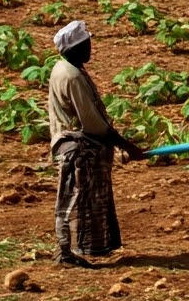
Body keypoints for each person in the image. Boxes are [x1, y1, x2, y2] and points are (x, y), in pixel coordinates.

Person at [46, 19, 145, 267]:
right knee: (75, 200)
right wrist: (127, 145)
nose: (90, 49)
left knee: (85, 201)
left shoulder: (64, 68)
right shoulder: (72, 76)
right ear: (75, 48)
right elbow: (92, 123)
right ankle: (65, 252)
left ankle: (80, 249)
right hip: (78, 146)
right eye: (86, 44)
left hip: (75, 144)